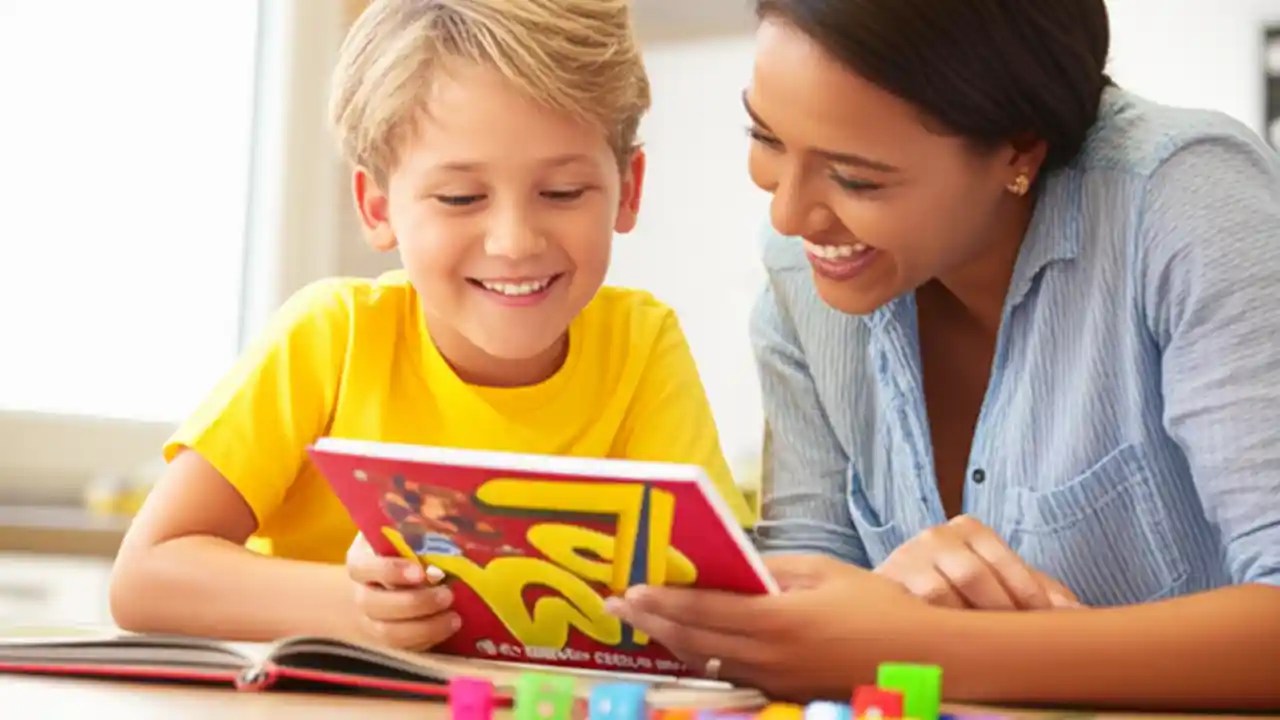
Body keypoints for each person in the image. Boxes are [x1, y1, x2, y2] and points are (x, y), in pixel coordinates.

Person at [607, 0, 1280, 710]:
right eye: (765, 136)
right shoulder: (801, 276)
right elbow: (797, 615)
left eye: (856, 178)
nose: (788, 214)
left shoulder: (1181, 204)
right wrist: (877, 608)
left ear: (1019, 150)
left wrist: (917, 645)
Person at [109, 0, 752, 652]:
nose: (514, 242)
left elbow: (724, 601)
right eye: (460, 198)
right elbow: (145, 577)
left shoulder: (641, 344)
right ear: (378, 207)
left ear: (628, 189)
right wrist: (352, 606)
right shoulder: (333, 338)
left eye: (561, 192)